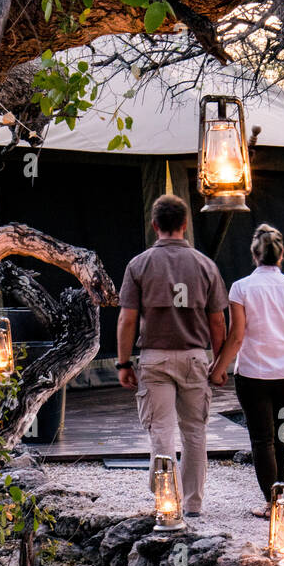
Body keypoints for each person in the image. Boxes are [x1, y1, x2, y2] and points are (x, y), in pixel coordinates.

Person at [116, 194, 228, 518]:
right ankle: (193, 503)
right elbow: (218, 320)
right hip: (195, 357)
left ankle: (169, 501)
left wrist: (124, 362)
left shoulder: (139, 265)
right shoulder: (206, 265)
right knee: (195, 431)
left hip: (155, 358)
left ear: (155, 226)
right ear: (185, 224)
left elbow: (127, 318)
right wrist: (219, 362)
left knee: (161, 433)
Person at [210, 224, 284, 517]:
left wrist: (218, 368)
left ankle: (272, 502)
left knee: (261, 439)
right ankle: (283, 496)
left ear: (254, 255)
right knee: (280, 436)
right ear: (281, 255)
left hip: (253, 373)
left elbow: (237, 336)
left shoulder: (241, 288)